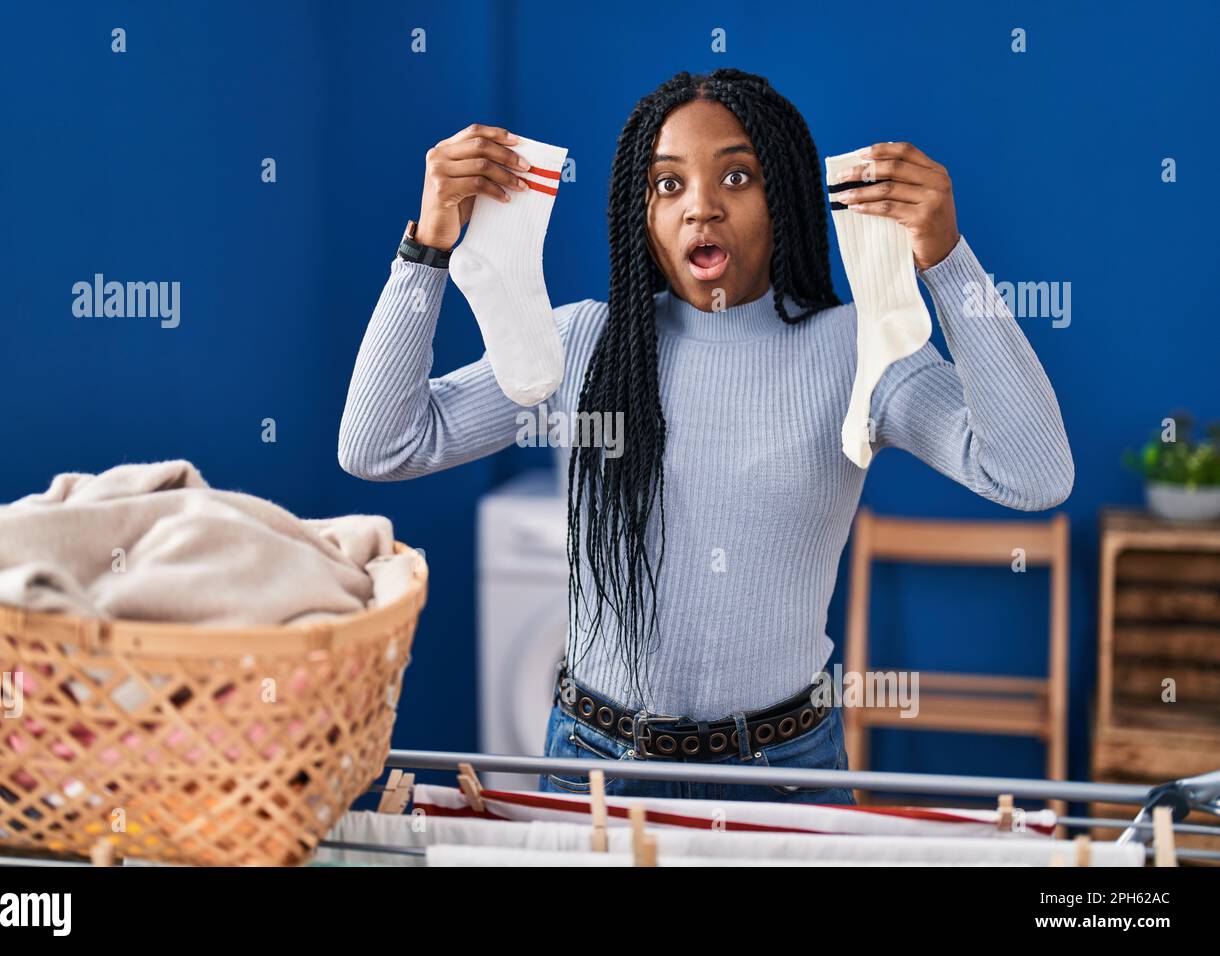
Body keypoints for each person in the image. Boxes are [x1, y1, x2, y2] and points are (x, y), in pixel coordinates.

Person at [338, 68, 1074, 805]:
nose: (701, 208)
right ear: (642, 213)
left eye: (738, 176)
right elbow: (379, 444)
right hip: (595, 763)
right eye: (668, 185)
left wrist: (946, 263)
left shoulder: (862, 350)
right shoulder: (580, 344)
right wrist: (430, 245)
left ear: (782, 196)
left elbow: (1031, 473)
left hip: (783, 771)